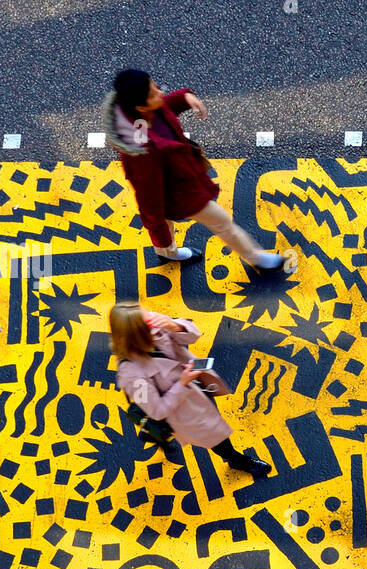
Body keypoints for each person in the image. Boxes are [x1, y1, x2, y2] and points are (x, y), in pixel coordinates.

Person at [103, 69, 286, 269]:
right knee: (223, 223)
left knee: (166, 222)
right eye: (154, 92)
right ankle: (256, 259)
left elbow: (164, 109)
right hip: (182, 196)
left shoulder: (138, 114)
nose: (160, 92)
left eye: (156, 85)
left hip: (178, 183)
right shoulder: (143, 155)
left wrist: (184, 98)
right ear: (140, 106)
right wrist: (160, 234)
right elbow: (149, 201)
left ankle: (166, 252)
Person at [109, 303, 270, 476]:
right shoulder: (131, 374)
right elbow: (157, 411)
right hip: (184, 409)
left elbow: (193, 335)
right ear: (137, 333)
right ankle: (235, 460)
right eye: (148, 322)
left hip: (197, 388)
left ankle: (155, 435)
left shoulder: (153, 324)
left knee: (213, 416)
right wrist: (183, 383)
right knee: (216, 437)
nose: (153, 321)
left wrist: (176, 326)